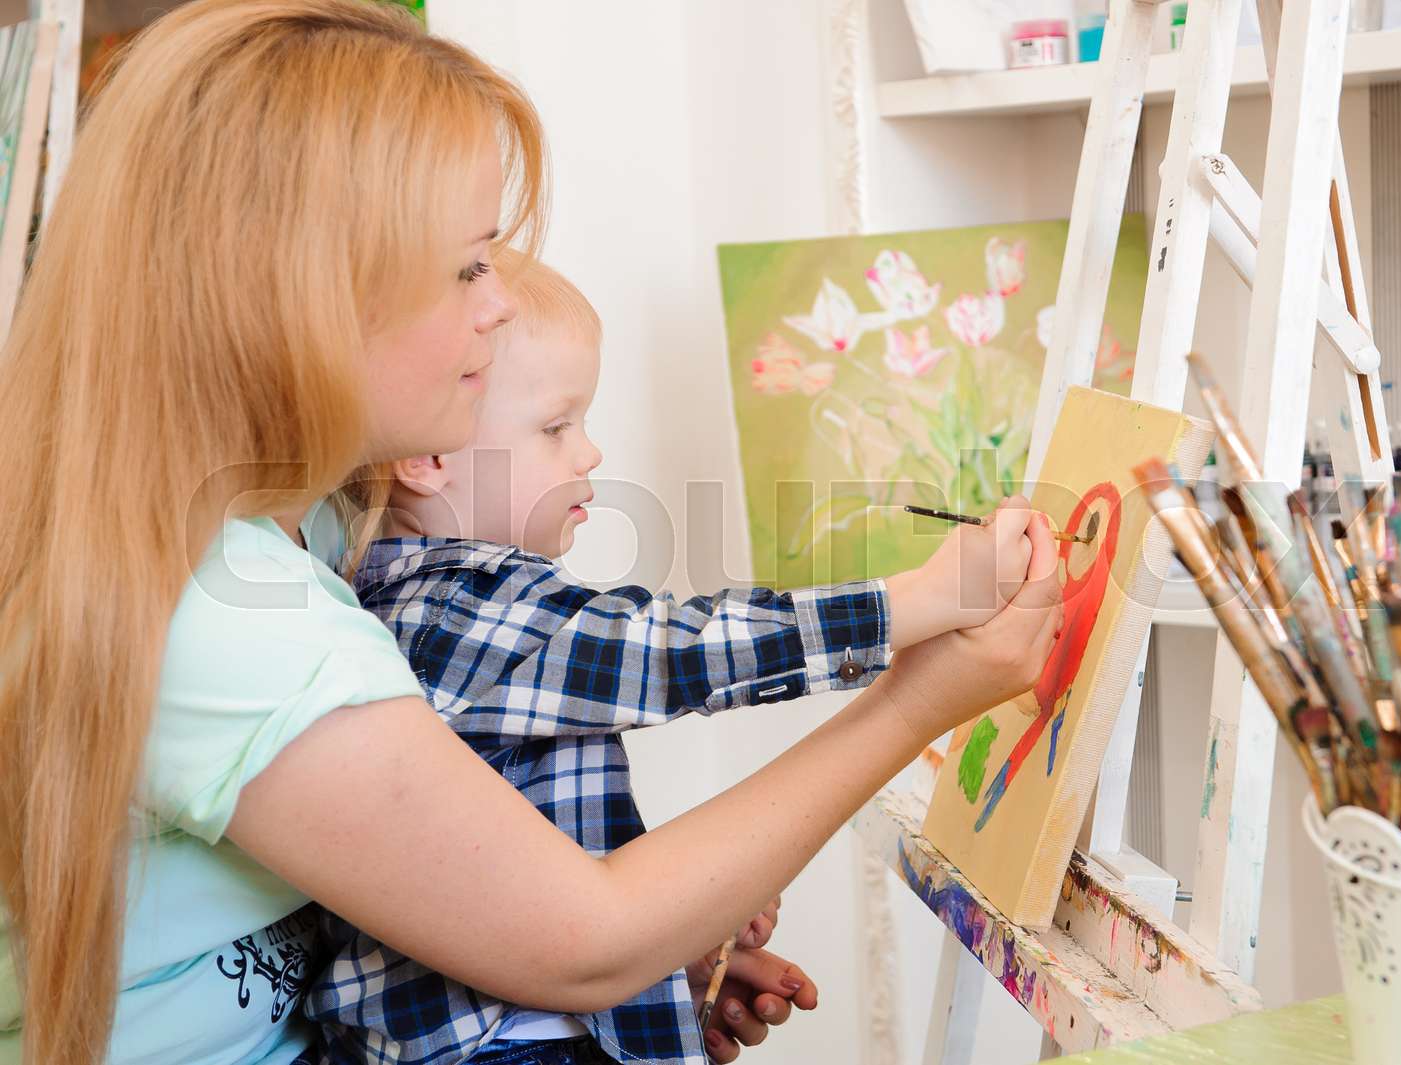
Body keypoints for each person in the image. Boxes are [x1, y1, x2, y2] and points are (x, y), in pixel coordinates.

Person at [0, 3, 1062, 1064]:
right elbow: (587, 937)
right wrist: (910, 688)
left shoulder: (304, 543)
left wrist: (654, 945)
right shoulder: (229, 616)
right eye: (467, 266)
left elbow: (495, 909)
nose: (499, 305)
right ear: (302, 300)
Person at [307, 256, 1040, 1065]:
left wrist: (684, 925)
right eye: (555, 427)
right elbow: (674, 652)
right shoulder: (455, 614)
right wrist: (913, 601)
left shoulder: (446, 604)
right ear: (427, 457)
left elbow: (536, 877)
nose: (589, 451)